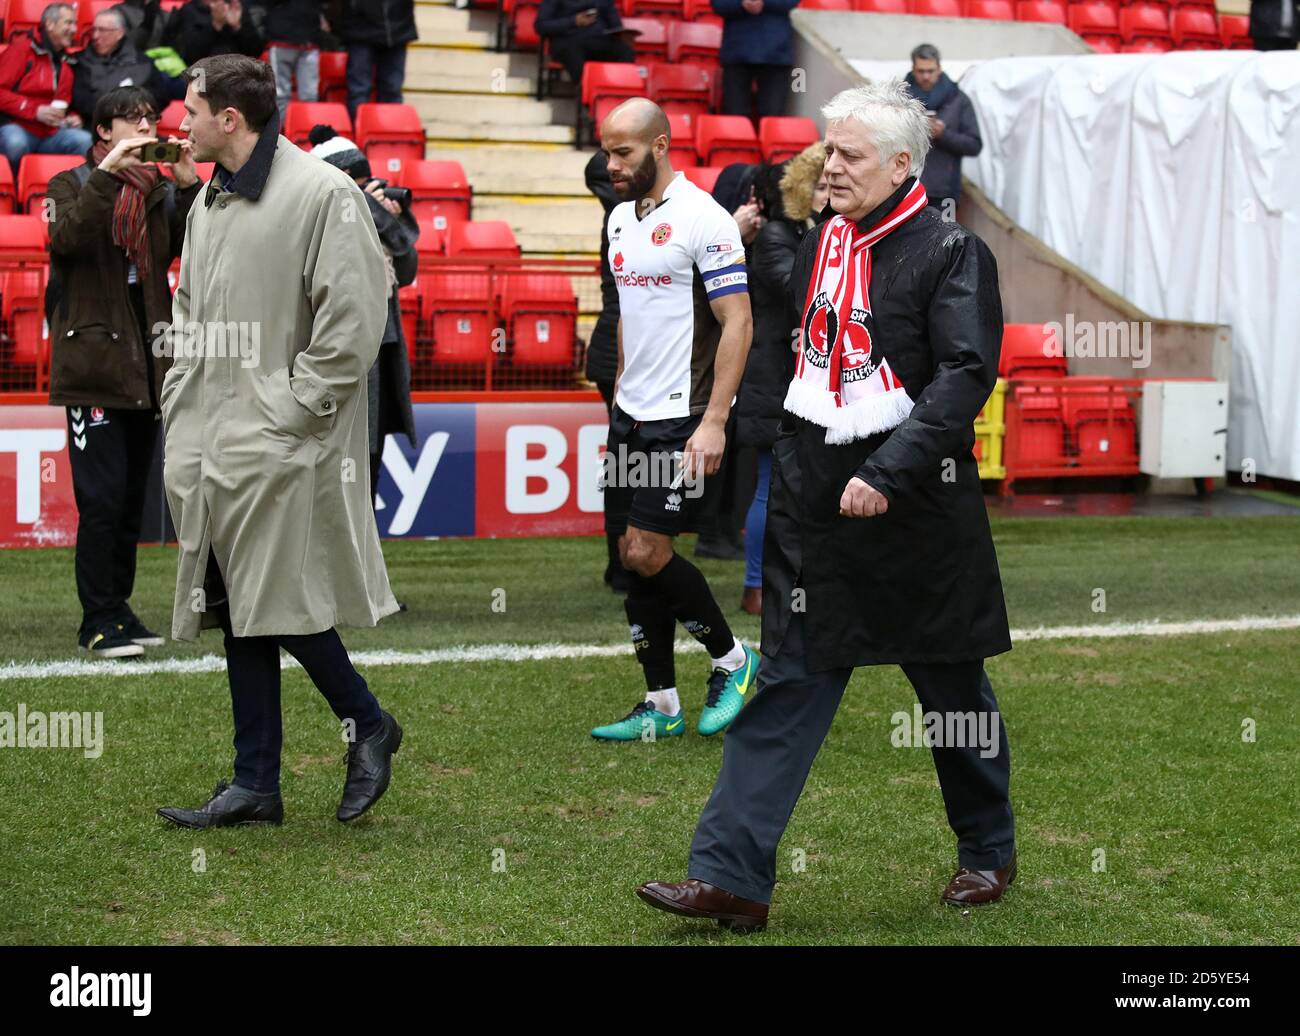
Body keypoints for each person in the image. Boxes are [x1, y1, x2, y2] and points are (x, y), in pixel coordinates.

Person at [637, 80, 1016, 932]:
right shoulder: (826, 243)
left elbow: (964, 377)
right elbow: (806, 358)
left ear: (901, 164)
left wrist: (888, 471)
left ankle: (987, 850)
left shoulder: (953, 252)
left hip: (914, 512)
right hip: (820, 510)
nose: (827, 166)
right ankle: (730, 878)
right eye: (828, 148)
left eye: (847, 154)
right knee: (786, 687)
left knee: (953, 692)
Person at [156, 55, 402, 829]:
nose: (180, 123)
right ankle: (256, 782)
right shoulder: (208, 199)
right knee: (236, 598)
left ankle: (365, 722)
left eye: (190, 109)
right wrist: (181, 395)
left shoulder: (321, 193)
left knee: (279, 599)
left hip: (281, 435)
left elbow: (355, 320)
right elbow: (191, 309)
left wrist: (293, 410)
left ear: (229, 118)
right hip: (213, 429)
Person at [589, 98, 758, 743]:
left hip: (682, 418)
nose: (612, 165)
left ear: (660, 146)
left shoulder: (704, 218)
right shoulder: (620, 222)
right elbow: (633, 315)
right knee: (632, 559)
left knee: (648, 549)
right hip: (631, 415)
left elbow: (737, 321)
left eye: (623, 152)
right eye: (607, 152)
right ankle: (659, 701)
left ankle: (734, 661)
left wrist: (714, 420)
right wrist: (619, 396)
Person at [46, 85, 201, 658]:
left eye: (149, 117)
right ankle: (98, 618)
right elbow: (66, 241)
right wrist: (109, 174)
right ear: (103, 130)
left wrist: (188, 189)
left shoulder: (158, 191)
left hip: (147, 360)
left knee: (132, 499)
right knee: (103, 499)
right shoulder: (69, 184)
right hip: (94, 364)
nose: (143, 125)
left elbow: (195, 251)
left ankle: (119, 608)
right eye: (129, 117)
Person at [305, 124, 419, 510]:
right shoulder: (319, 219)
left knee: (370, 463)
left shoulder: (378, 225)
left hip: (382, 352)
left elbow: (406, 269)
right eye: (355, 183)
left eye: (366, 182)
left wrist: (392, 220)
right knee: (338, 473)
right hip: (341, 359)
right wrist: (368, 215)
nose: (365, 191)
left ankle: (364, 556)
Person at [736, 142, 826, 615]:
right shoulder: (776, 236)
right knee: (770, 488)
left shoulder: (813, 232)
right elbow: (802, 290)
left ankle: (803, 580)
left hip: (802, 380)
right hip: (776, 381)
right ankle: (755, 587)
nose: (829, 191)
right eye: (821, 185)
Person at [584, 147, 631, 595]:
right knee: (629, 461)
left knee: (626, 460)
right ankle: (624, 562)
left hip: (612, 350)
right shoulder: (623, 218)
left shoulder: (617, 216)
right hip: (621, 352)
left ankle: (622, 561)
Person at [0, 4, 93, 177]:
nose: (74, 30)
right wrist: (35, 111)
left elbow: (68, 101)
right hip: (17, 127)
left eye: (75, 24)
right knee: (15, 142)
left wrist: (73, 117)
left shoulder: (69, 61)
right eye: (68, 23)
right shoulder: (22, 49)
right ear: (50, 24)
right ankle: (14, 195)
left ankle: (70, 196)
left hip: (51, 132)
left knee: (84, 140)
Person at [903, 43, 982, 219]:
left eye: (930, 71)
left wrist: (943, 135)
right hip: (905, 188)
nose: (926, 76)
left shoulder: (959, 100)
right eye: (921, 71)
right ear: (913, 69)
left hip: (944, 192)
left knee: (943, 245)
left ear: (939, 69)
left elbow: (974, 145)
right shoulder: (899, 99)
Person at [71, 8, 175, 125]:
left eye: (102, 30)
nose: (95, 36)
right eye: (94, 30)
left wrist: (136, 109)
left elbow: (161, 96)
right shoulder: (80, 61)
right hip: (95, 126)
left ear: (119, 33)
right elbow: (80, 100)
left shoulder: (142, 62)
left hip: (135, 125)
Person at [711, 0, 799, 121]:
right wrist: (741, 4)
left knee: (773, 118)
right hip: (738, 51)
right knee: (735, 118)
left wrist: (763, 3)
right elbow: (718, 4)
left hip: (775, 53)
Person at [336, 0, 417, 119]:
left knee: (390, 90)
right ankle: (361, 133)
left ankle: (388, 133)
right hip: (362, 29)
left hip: (397, 28)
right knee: (361, 90)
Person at [536, 0, 634, 87]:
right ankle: (588, 94)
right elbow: (541, 26)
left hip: (598, 40)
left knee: (624, 50)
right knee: (573, 50)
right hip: (568, 40)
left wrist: (623, 34)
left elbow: (615, 25)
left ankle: (621, 91)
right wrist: (574, 21)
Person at [265, 0, 330, 120]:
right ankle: (280, 135)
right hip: (281, 39)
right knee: (280, 95)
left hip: (309, 40)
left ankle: (306, 134)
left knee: (309, 96)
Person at [162, 0, 264, 64]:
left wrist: (237, 27)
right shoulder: (189, 10)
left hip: (237, 70)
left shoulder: (234, 6)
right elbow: (190, 54)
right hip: (202, 72)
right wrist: (216, 25)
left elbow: (255, 51)